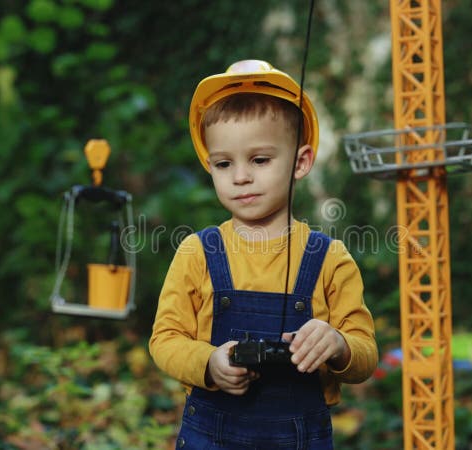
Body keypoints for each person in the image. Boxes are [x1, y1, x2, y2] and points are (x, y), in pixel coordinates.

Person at [149, 59, 377, 450]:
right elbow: (165, 339)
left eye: (259, 159)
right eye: (224, 163)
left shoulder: (329, 259)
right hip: (213, 435)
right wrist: (207, 363)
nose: (240, 177)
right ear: (210, 167)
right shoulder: (197, 253)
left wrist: (338, 344)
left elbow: (364, 354)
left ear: (300, 162)